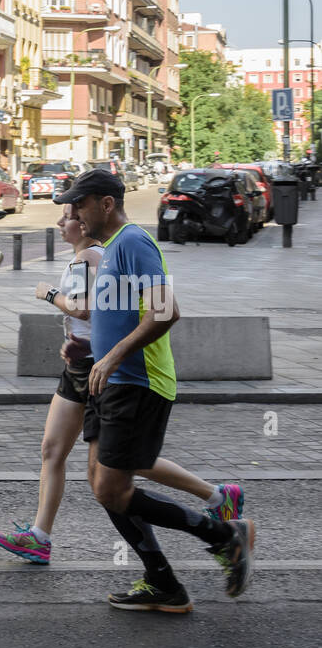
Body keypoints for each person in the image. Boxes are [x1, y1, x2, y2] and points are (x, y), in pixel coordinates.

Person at [0, 204, 244, 567]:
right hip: (84, 365)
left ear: (84, 223)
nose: (61, 223)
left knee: (115, 471)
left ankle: (215, 503)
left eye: (68, 218)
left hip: (98, 370)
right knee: (57, 451)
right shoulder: (94, 254)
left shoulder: (91, 256)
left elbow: (83, 308)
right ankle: (41, 536)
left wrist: (47, 294)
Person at [55, 169, 254, 612]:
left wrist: (112, 356)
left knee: (112, 490)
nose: (75, 213)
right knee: (101, 484)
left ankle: (222, 536)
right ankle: (163, 583)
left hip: (137, 381)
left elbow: (166, 312)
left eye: (81, 204)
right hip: (107, 381)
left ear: (106, 204)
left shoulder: (132, 242)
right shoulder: (107, 251)